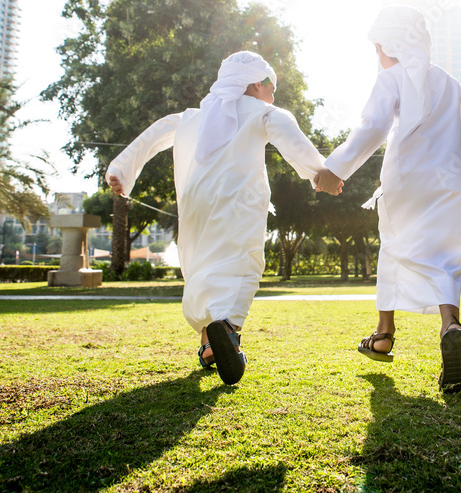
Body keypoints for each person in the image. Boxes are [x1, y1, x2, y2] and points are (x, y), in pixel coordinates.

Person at [106, 51, 337, 385]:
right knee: (243, 264)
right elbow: (291, 138)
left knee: (203, 267)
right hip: (239, 200)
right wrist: (320, 173)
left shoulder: (191, 117)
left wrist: (120, 171)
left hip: (195, 202)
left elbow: (153, 136)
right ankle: (227, 329)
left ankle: (209, 346)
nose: (274, 96)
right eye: (272, 87)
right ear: (256, 84)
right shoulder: (263, 111)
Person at [315, 5, 461, 392]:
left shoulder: (390, 78)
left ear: (390, 45)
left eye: (378, 47)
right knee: (446, 256)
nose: (377, 54)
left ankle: (384, 334)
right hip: (451, 180)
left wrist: (335, 169)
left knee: (394, 245)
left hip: (406, 177)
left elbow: (374, 126)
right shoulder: (449, 82)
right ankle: (451, 325)